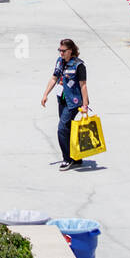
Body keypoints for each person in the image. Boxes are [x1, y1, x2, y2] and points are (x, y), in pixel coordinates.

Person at [41, 38, 89, 171]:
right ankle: (76, 158)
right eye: (59, 51)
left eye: (63, 51)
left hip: (73, 103)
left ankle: (67, 159)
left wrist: (85, 105)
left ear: (71, 50)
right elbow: (54, 78)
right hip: (61, 100)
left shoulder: (79, 65)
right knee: (68, 129)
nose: (61, 53)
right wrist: (45, 94)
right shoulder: (60, 62)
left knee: (62, 128)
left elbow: (83, 85)